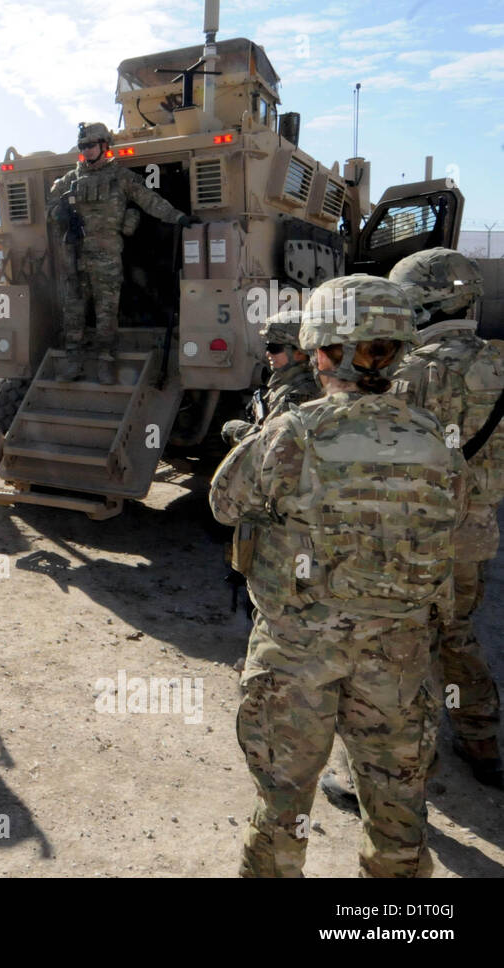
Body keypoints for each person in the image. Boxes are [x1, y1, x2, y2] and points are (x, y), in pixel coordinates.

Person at [210, 275, 467, 877]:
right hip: (398, 657)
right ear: (399, 348)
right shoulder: (435, 439)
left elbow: (224, 504)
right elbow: (447, 518)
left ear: (321, 350)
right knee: (398, 806)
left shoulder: (293, 432)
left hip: (298, 654)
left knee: (282, 806)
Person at [388, 248, 503, 789]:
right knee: (457, 636)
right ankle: (482, 741)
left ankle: (412, 759)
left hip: (420, 535)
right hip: (476, 532)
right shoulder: (499, 363)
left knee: (404, 643)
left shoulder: (413, 373)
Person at [47, 121, 195, 383]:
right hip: (75, 256)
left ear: (104, 146)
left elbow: (150, 201)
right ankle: (73, 363)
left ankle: (105, 362)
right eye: (83, 146)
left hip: (106, 258)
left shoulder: (121, 177)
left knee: (106, 313)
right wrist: (58, 212)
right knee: (74, 312)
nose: (87, 151)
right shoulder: (70, 180)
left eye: (91, 145)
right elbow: (51, 205)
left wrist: (178, 217)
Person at [221, 310, 320, 445]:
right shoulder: (288, 382)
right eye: (267, 346)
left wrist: (237, 429)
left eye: (274, 348)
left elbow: (270, 442)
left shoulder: (299, 393)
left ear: (300, 352)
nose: (268, 353)